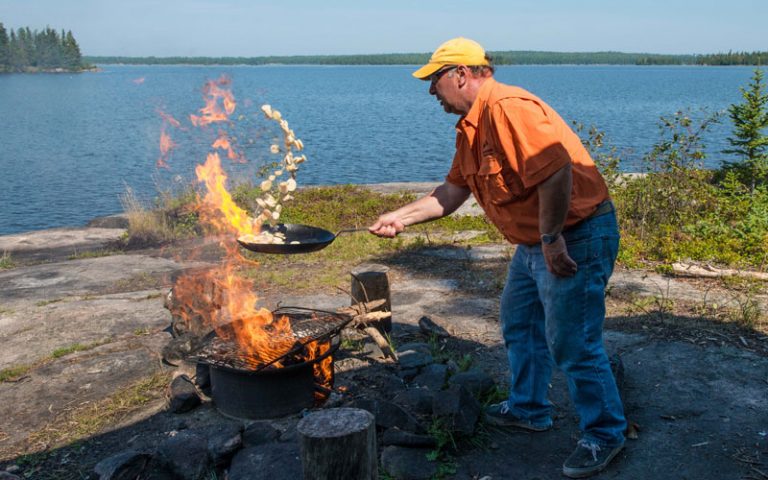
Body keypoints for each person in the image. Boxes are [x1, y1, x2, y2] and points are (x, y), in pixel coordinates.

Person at [369, 37, 627, 478]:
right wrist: (401, 216)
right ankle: (529, 410)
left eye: (434, 80)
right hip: (536, 242)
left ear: (461, 75)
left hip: (573, 236)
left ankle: (605, 434)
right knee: (520, 324)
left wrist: (549, 239)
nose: (431, 91)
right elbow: (452, 192)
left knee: (573, 340)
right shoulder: (472, 126)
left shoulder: (509, 107)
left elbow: (556, 170)